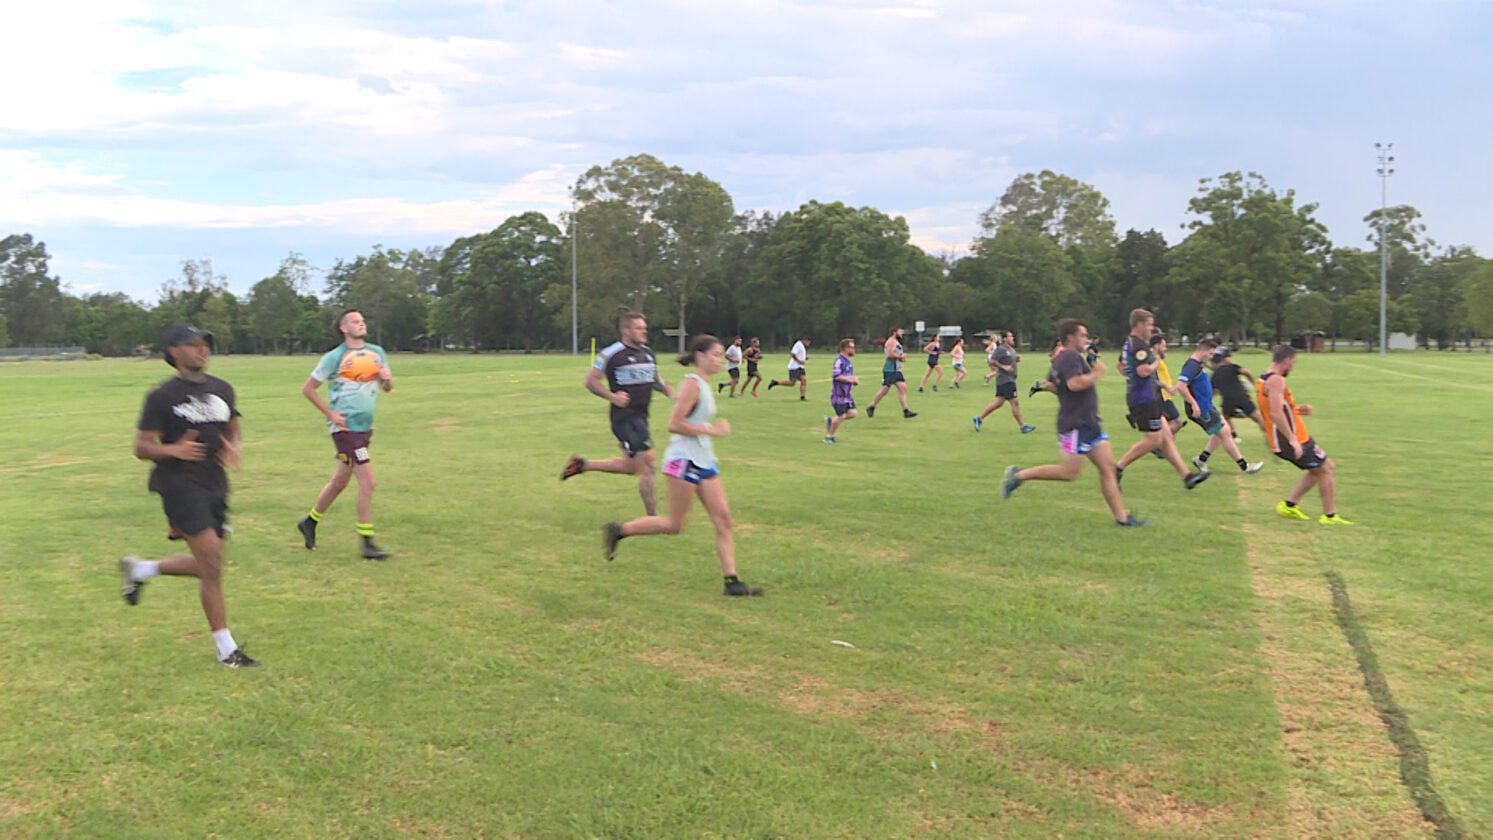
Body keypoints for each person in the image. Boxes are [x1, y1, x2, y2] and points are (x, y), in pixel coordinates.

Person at [119, 325, 258, 668]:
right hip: (178, 484)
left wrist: (234, 446)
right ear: (173, 351)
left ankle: (141, 569)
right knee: (211, 563)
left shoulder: (223, 389)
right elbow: (141, 447)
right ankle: (227, 650)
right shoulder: (161, 397)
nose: (202, 350)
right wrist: (175, 449)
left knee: (208, 566)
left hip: (215, 483)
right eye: (193, 344)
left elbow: (233, 427)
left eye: (205, 344)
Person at [603, 335, 765, 596]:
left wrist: (708, 435)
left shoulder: (704, 383)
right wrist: (711, 430)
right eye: (716, 354)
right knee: (674, 524)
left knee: (723, 519)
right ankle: (619, 530)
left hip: (704, 459)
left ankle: (732, 582)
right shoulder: (692, 384)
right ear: (700, 356)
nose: (720, 360)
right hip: (683, 460)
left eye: (722, 355)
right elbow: (673, 424)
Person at [1000, 319, 1145, 527]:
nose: (1086, 339)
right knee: (1069, 473)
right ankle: (1019, 475)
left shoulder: (1062, 358)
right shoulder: (1070, 356)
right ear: (1071, 337)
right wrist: (1096, 373)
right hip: (1074, 426)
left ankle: (1122, 518)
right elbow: (1074, 384)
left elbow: (1052, 384)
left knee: (1108, 469)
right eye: (1083, 335)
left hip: (1089, 423)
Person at [297, 309, 394, 559]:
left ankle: (309, 522)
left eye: (362, 320)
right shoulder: (334, 357)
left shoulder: (377, 352)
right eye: (354, 321)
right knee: (368, 482)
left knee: (340, 481)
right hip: (345, 430)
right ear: (343, 328)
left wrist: (386, 379)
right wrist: (331, 415)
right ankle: (367, 543)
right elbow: (308, 389)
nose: (361, 323)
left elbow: (388, 388)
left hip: (365, 428)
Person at [561, 312, 674, 516]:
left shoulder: (648, 353)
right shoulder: (611, 354)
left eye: (644, 328)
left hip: (641, 417)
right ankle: (653, 517)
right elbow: (590, 382)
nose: (644, 331)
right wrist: (612, 397)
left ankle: (583, 465)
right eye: (639, 328)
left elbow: (654, 379)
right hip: (624, 418)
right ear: (627, 330)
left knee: (633, 466)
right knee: (647, 462)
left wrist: (665, 388)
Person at [1113, 309, 1209, 490]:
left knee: (1166, 437)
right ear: (1139, 324)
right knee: (1154, 440)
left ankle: (1187, 477)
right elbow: (1143, 371)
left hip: (1148, 396)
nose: (1151, 328)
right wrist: (1156, 361)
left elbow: (1122, 364)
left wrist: (1130, 376)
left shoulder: (1130, 342)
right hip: (1143, 398)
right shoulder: (1139, 345)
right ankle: (1117, 468)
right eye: (1149, 324)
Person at [1258, 345, 1352, 525]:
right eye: (1292, 363)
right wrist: (1293, 440)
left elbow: (1278, 408)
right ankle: (1329, 516)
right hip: (1291, 439)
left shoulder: (1264, 378)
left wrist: (1298, 410)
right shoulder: (1276, 380)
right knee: (1326, 468)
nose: (1292, 367)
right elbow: (1276, 413)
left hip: (1290, 438)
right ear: (1286, 361)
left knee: (1318, 469)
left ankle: (1289, 505)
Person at [1175, 339, 1264, 475]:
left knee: (1223, 432)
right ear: (1203, 351)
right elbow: (1181, 386)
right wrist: (1194, 404)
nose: (1211, 357)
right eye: (1210, 354)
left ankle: (1201, 459)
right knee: (1225, 435)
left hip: (1207, 406)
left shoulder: (1198, 364)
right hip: (1202, 409)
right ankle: (1245, 466)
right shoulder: (1192, 366)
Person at [973, 330, 1036, 434]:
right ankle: (1023, 426)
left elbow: (1010, 360)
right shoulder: (1000, 349)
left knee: (999, 403)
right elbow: (992, 361)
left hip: (1009, 379)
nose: (1013, 338)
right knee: (1015, 402)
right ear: (1005, 338)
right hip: (1005, 380)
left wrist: (1016, 360)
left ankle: (979, 418)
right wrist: (1004, 367)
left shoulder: (1011, 349)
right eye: (1010, 336)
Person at [1210, 346, 1265, 437]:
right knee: (1257, 417)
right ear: (1225, 359)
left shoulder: (1214, 375)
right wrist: (1252, 382)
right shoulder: (1232, 367)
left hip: (1228, 399)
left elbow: (1214, 391)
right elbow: (1246, 371)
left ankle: (1233, 434)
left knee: (1225, 417)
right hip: (1242, 396)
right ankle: (1270, 433)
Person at [867, 326, 917, 418]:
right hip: (890, 369)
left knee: (903, 388)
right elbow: (890, 354)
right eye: (900, 332)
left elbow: (896, 354)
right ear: (894, 332)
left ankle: (906, 410)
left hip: (896, 370)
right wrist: (900, 357)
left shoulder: (896, 342)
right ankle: (871, 406)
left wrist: (901, 358)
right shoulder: (891, 341)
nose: (901, 333)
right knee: (884, 390)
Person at [824, 338, 860, 443]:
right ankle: (829, 437)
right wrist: (851, 379)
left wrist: (853, 380)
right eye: (852, 347)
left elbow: (847, 376)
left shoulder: (848, 362)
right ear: (845, 348)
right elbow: (836, 376)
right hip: (838, 395)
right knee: (841, 416)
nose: (854, 349)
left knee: (853, 413)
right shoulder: (839, 361)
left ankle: (831, 421)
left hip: (847, 395)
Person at [1152, 334, 1187, 435]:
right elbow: (1152, 379)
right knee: (1177, 423)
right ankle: (1156, 444)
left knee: (1169, 424)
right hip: (1161, 396)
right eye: (1163, 346)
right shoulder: (1153, 359)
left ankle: (1163, 447)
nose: (1165, 348)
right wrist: (1166, 387)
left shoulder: (1157, 358)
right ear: (1156, 346)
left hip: (1165, 395)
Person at [768, 335, 811, 400]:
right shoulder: (798, 344)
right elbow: (793, 354)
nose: (808, 344)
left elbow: (799, 354)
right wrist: (799, 361)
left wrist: (804, 358)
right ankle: (776, 382)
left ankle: (802, 396)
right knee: (792, 383)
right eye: (808, 342)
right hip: (794, 367)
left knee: (804, 380)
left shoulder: (802, 346)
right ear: (804, 340)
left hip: (800, 367)